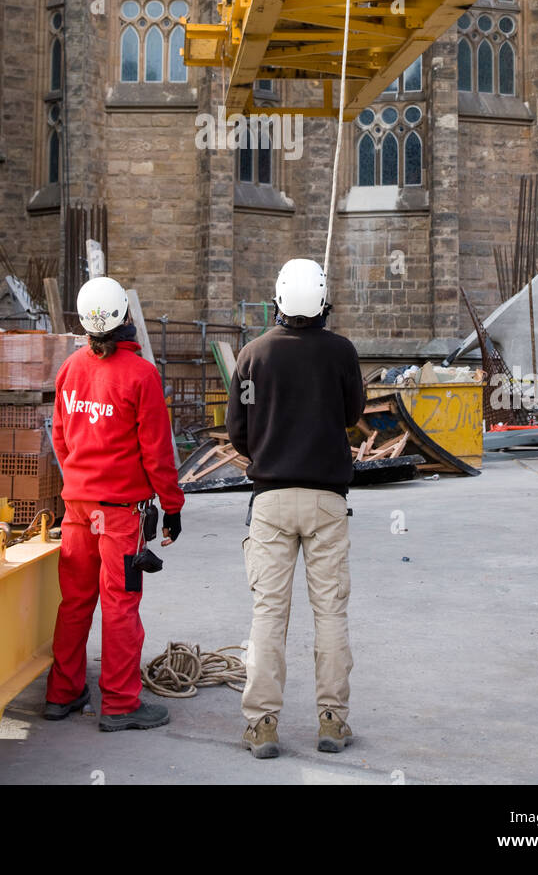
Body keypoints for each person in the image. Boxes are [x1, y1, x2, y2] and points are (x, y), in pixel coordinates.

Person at [226, 257, 365, 759]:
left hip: (271, 503)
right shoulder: (342, 354)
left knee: (268, 613)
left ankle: (261, 724)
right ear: (324, 299)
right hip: (327, 501)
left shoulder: (251, 357)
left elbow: (238, 431)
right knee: (330, 611)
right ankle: (332, 720)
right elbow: (352, 414)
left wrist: (268, 451)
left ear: (279, 299)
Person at [44, 277, 185, 731]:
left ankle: (62, 693)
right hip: (120, 514)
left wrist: (80, 481)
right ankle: (121, 704)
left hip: (77, 508)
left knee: (74, 602)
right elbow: (157, 452)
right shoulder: (142, 375)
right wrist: (172, 504)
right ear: (125, 316)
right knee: (120, 605)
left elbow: (61, 439)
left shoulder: (69, 369)